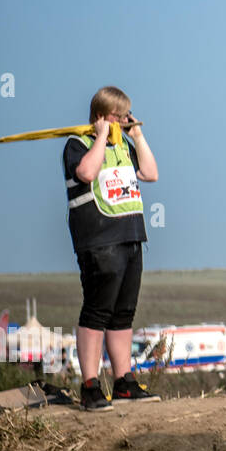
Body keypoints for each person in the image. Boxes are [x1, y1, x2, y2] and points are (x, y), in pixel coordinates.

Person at [63, 86, 160, 411]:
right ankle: (90, 384)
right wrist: (102, 136)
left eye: (125, 117)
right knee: (96, 311)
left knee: (123, 313)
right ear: (103, 117)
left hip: (130, 237)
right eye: (118, 117)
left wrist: (137, 136)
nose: (123, 121)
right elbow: (86, 173)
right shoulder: (79, 145)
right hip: (99, 240)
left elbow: (150, 173)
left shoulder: (124, 147)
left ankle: (124, 381)